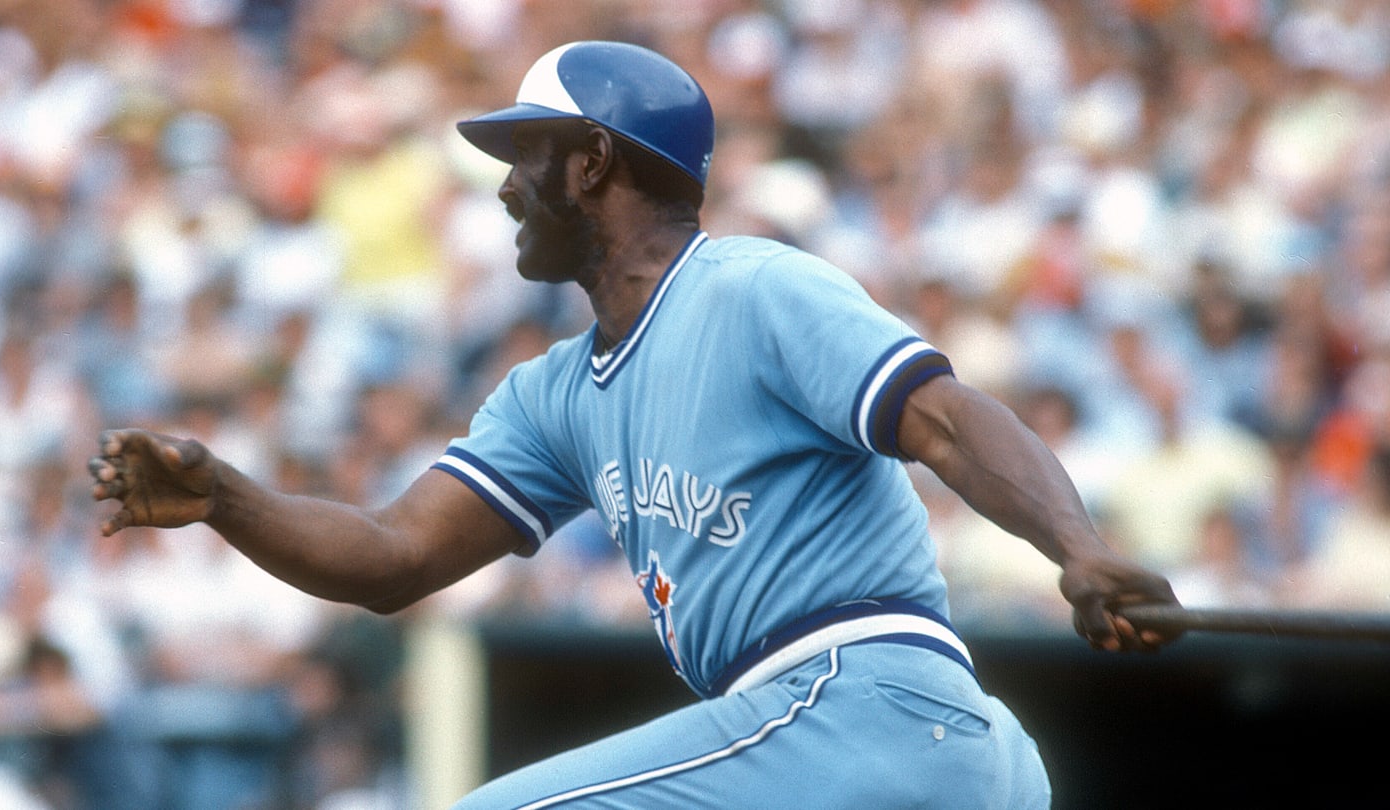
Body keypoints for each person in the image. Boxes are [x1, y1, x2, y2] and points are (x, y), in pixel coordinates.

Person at [89, 40, 1181, 809]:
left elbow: (944, 417)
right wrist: (228, 499)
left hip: (865, 706)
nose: (508, 188)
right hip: (868, 752)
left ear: (595, 162)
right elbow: (393, 558)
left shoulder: (750, 288)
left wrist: (1079, 550)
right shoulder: (552, 393)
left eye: (527, 156)